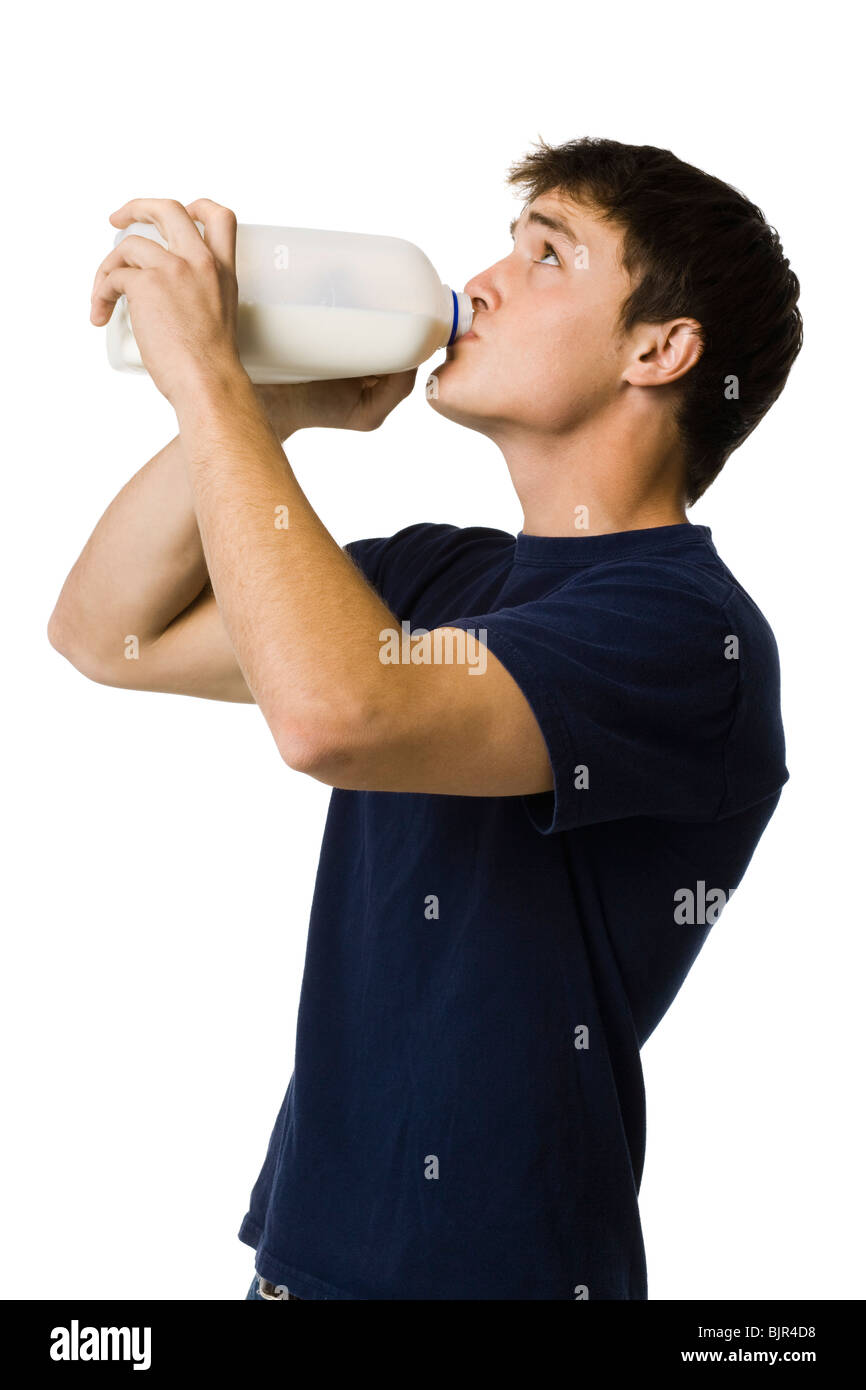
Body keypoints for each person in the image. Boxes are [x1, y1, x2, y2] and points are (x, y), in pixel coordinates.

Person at [48, 136, 802, 1300]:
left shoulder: (689, 637)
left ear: (658, 349)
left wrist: (205, 378)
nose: (484, 282)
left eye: (546, 256)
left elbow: (333, 716)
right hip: (305, 1258)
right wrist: (264, 405)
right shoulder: (436, 579)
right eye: (504, 247)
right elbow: (107, 633)